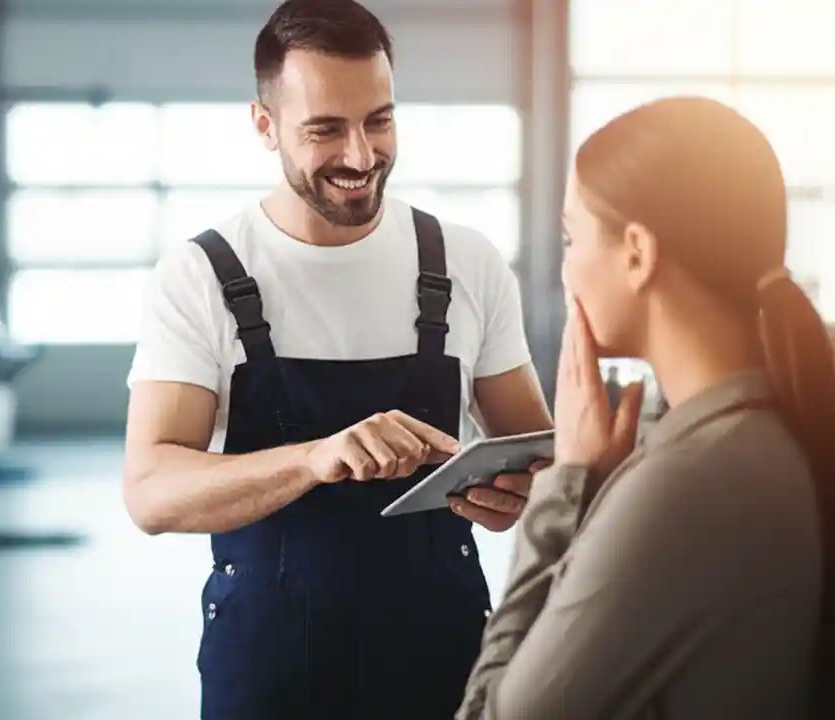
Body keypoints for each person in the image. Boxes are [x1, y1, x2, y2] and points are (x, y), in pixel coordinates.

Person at [122, 0, 553, 716]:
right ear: (264, 126)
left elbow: (540, 468)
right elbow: (150, 491)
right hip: (268, 670)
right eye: (324, 129)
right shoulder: (202, 276)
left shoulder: (466, 264)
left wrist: (515, 495)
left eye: (379, 121)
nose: (360, 156)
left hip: (441, 661)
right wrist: (314, 459)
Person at [456, 96, 834, 719]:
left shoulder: (693, 481)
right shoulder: (753, 431)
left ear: (637, 252)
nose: (566, 268)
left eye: (572, 238)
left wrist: (565, 491)